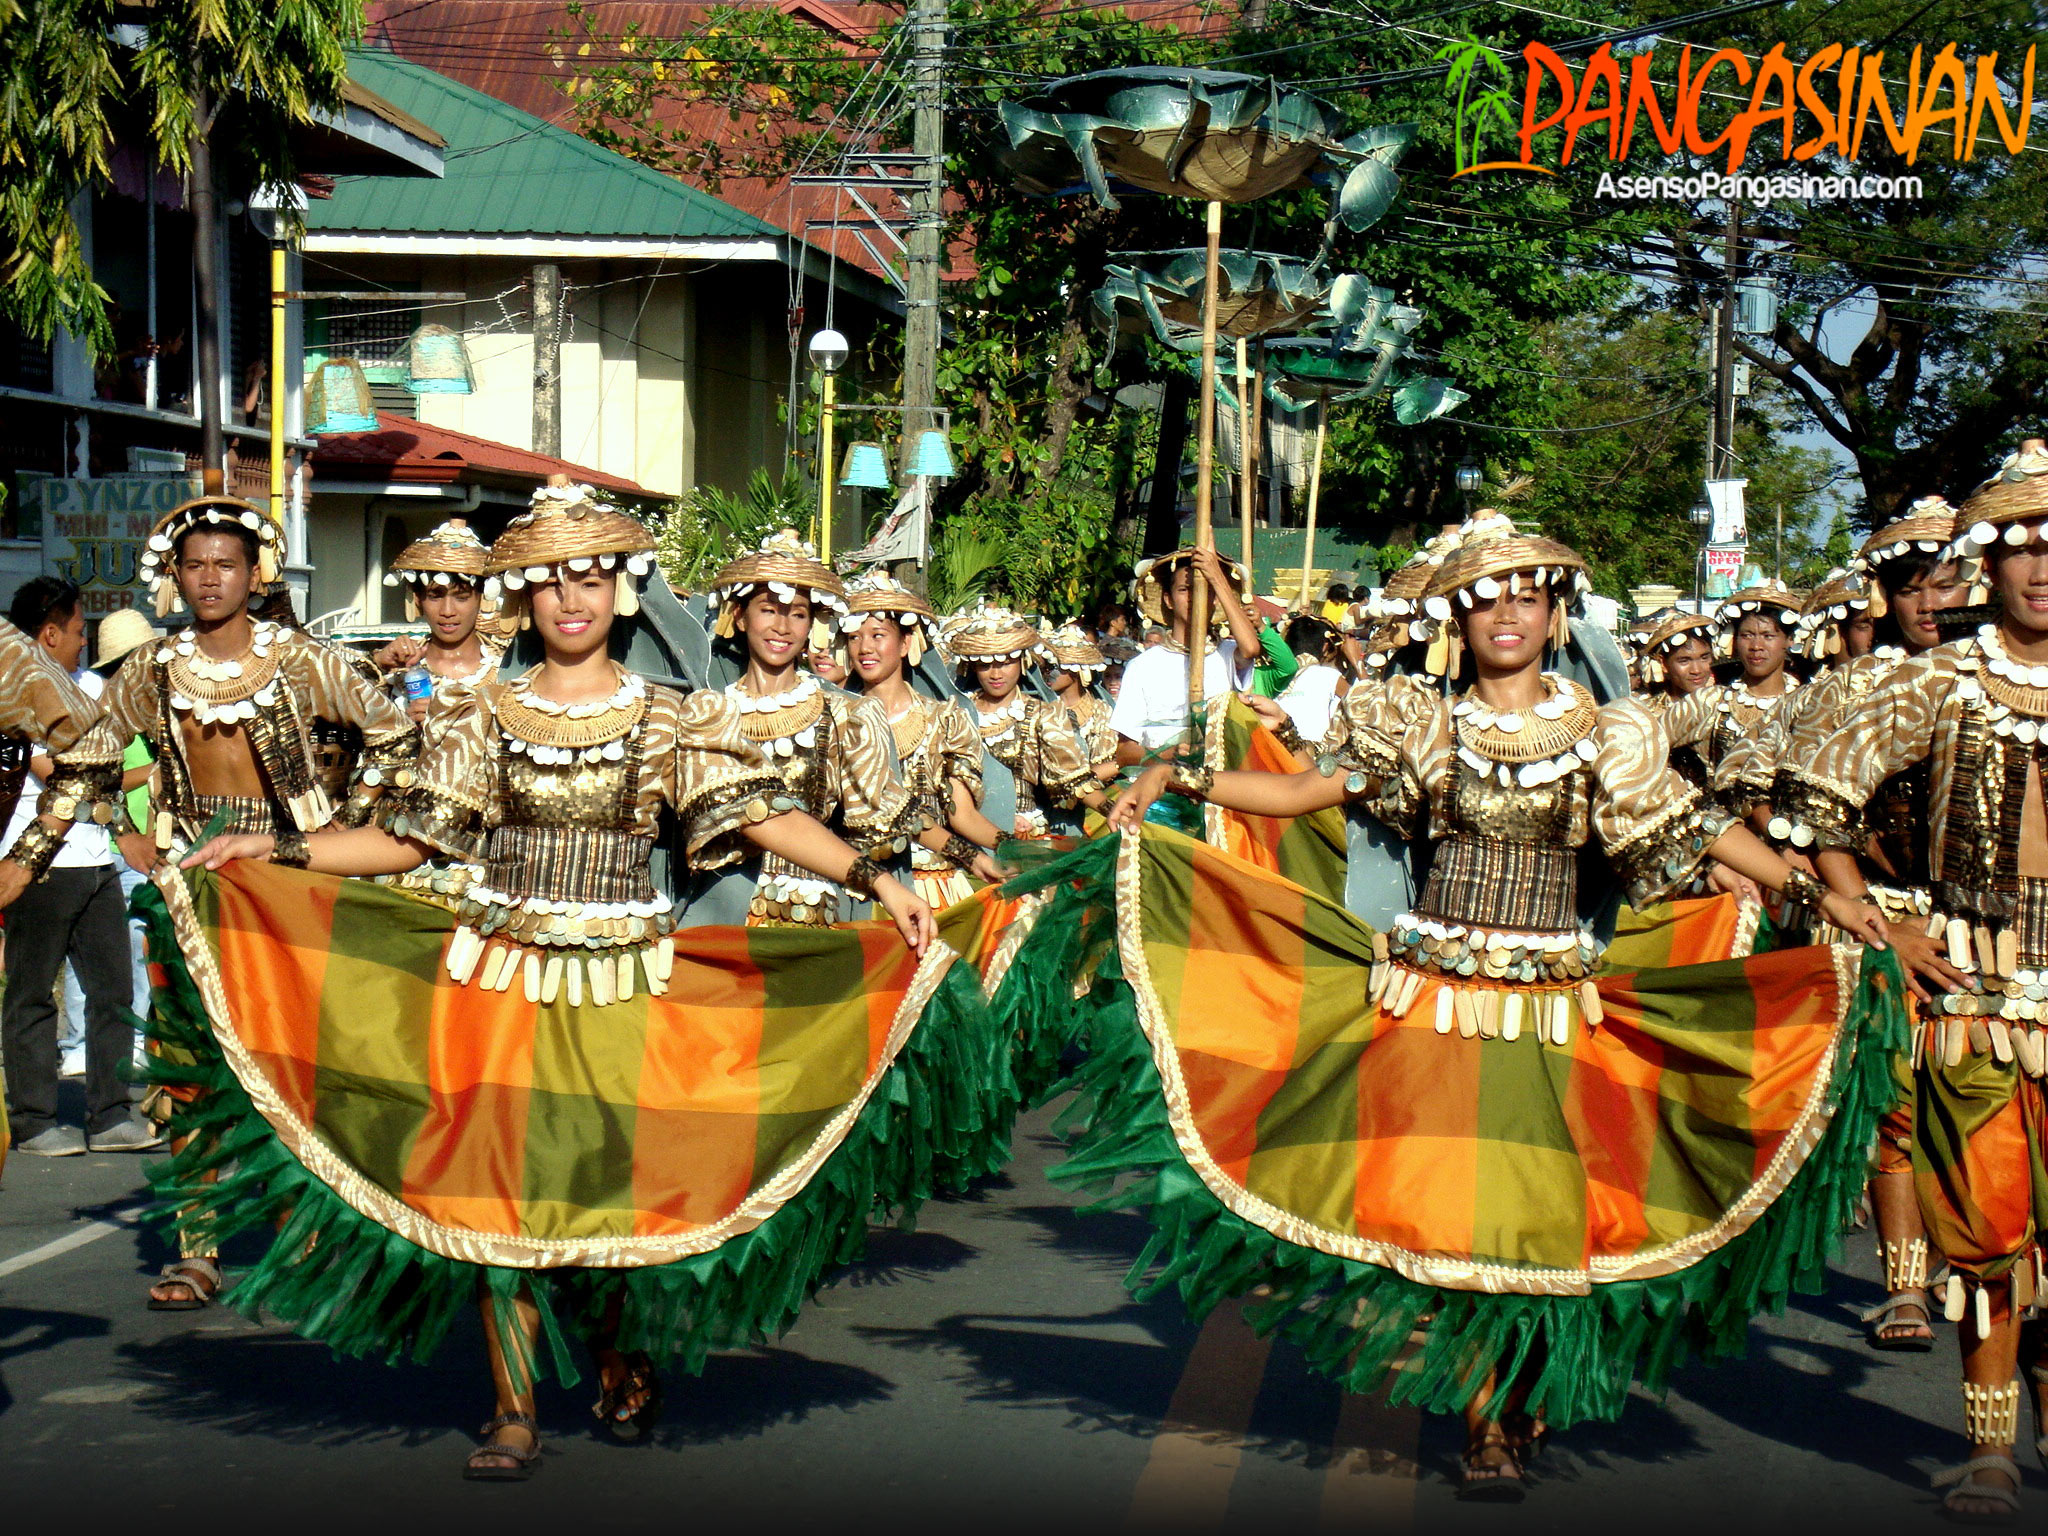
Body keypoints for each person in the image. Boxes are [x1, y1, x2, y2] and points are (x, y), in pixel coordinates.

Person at [163, 481, 965, 1481]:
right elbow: (407, 840)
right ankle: (509, 1407)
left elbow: (756, 810)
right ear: (526, 597)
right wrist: (275, 849)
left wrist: (874, 876)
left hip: (630, 980)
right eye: (551, 583)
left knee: (607, 1187)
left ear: (621, 594)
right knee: (500, 1193)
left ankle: (620, 1345)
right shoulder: (484, 715)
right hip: (496, 979)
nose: (572, 599)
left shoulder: (671, 717)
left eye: (591, 578)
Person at [1083, 528, 1893, 1501]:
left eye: (1524, 598)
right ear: (1454, 621)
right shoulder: (1419, 722)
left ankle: (1521, 1394)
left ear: (1554, 616)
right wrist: (1181, 778)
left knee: (1538, 1214)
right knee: (1460, 1219)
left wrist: (1816, 897)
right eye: (1483, 599)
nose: (1504, 614)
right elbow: (1303, 792)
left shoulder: (1607, 734)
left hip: (1553, 1005)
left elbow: (1690, 821)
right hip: (1433, 1001)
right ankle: (1484, 1425)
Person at [1785, 443, 2048, 1522]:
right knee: (1990, 1225)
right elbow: (1817, 801)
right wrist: (1869, 918)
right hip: (1974, 989)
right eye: (2022, 546)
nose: (2040, 566)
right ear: (1983, 564)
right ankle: (1988, 1449)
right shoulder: (1933, 680)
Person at [104, 495, 421, 1310]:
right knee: (189, 1067)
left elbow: (392, 735)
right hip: (190, 881)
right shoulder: (151, 669)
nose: (210, 579)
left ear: (254, 576)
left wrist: (352, 824)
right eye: (195, 565)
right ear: (174, 577)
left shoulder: (303, 661)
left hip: (290, 879)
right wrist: (124, 834)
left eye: (225, 565)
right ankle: (197, 1246)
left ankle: (311, 1233)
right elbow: (87, 754)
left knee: (298, 1058)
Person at [1738, 504, 1968, 1355]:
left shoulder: (2010, 678)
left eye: (1948, 584)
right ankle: (1905, 1284)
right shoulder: (1840, 690)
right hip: (1887, 917)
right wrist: (1852, 896)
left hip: (2007, 937)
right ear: (1884, 600)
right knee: (1892, 1109)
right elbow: (1775, 791)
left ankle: (1977, 1255)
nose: (1932, 604)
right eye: (1913, 589)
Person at [683, 530, 925, 926]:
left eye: (797, 614)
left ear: (812, 624)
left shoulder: (846, 714)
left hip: (812, 917)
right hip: (718, 918)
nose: (783, 627)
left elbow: (886, 818)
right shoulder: (708, 714)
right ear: (739, 617)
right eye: (768, 610)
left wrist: (975, 855)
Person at [1, 578, 157, 1156]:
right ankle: (35, 1119)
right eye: (74, 632)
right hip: (34, 861)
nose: (80, 644)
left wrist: (122, 833)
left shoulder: (84, 689)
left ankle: (111, 1113)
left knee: (113, 989)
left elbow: (99, 770)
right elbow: (59, 774)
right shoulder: (16, 692)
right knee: (33, 993)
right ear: (48, 633)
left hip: (95, 862)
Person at [839, 570, 1006, 907]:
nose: (865, 647)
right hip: (860, 888)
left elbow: (961, 813)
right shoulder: (836, 717)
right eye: (854, 637)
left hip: (933, 885)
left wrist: (1011, 847)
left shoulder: (943, 719)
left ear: (905, 643)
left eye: (877, 635)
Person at [951, 603, 1106, 838]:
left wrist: (1114, 810)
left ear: (1022, 661)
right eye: (985, 664)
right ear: (972, 665)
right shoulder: (955, 713)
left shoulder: (1043, 714)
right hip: (964, 833)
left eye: (1005, 662)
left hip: (1027, 835)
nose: (995, 674)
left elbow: (1073, 780)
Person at [1110, 548, 1264, 768]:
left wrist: (1217, 579)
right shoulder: (1142, 666)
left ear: (1215, 599)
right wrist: (1168, 754)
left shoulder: (1227, 653)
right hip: (1164, 789)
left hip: (1222, 785)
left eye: (1205, 590)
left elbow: (1250, 648)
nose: (1195, 598)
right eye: (1184, 589)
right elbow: (1124, 753)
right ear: (1168, 600)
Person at [91, 607, 163, 1064]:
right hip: (117, 843)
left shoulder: (154, 713)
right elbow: (101, 781)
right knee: (121, 954)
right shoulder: (107, 715)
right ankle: (119, 1043)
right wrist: (154, 769)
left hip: (149, 844)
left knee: (139, 950)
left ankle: (109, 1042)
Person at [371, 519, 505, 721]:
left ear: (481, 598)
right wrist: (377, 663)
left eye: (461, 597)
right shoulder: (398, 673)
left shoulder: (507, 671)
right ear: (418, 599)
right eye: (435, 596)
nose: (447, 611)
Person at [1037, 621, 1120, 804]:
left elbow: (1106, 772)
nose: (1048, 673)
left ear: (1075, 668)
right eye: (1045, 666)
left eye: (1054, 666)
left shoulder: (1101, 712)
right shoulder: (1038, 709)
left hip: (1094, 804)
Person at [1274, 613, 1352, 747]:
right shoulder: (1329, 676)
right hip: (1312, 756)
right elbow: (1361, 703)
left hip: (1275, 748)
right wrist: (1357, 662)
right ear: (1325, 647)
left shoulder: (1271, 674)